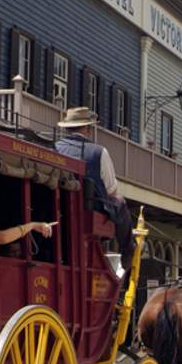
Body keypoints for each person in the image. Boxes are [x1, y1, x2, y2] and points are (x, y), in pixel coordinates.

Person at [54, 107, 133, 258]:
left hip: (58, 205)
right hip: (91, 208)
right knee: (120, 201)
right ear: (88, 129)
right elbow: (111, 190)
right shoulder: (99, 152)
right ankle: (128, 251)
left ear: (67, 128)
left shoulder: (55, 148)